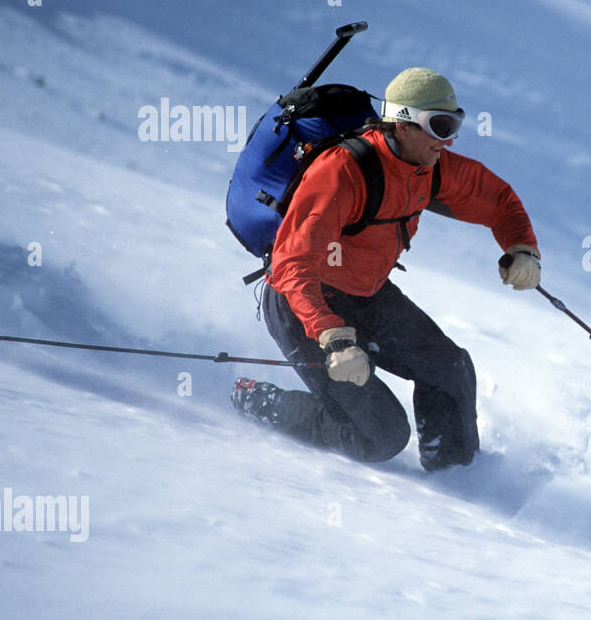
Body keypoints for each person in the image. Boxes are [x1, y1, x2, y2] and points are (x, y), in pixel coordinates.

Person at [231, 67, 541, 470]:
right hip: (303, 306)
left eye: (455, 124)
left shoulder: (430, 165)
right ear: (404, 122)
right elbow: (293, 263)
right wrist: (334, 339)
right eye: (441, 125)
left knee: (450, 370)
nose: (449, 139)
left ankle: (457, 481)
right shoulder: (343, 171)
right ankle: (261, 400)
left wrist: (522, 249)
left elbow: (498, 200)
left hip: (366, 295)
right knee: (381, 436)